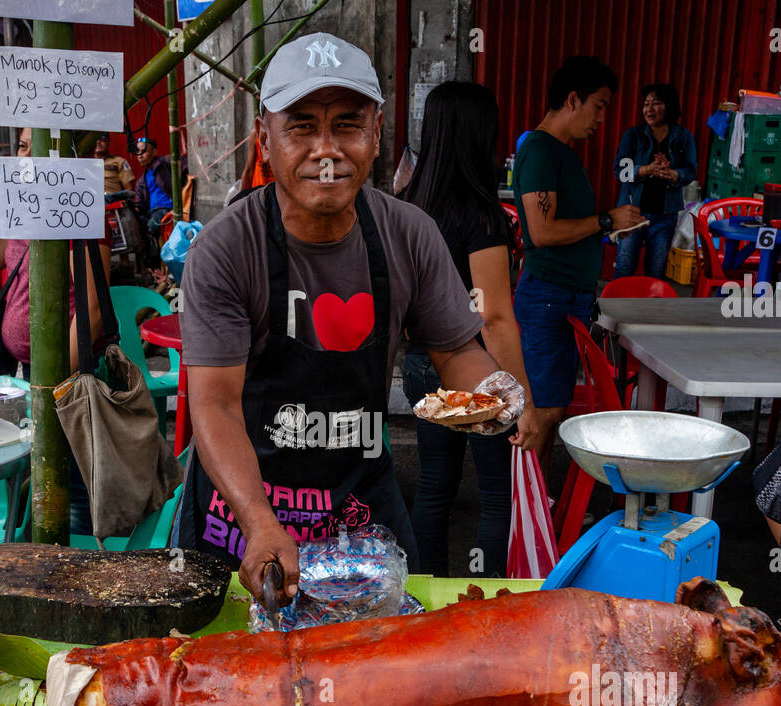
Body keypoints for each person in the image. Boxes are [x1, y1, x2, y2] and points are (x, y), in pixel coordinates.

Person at [173, 33, 524, 603]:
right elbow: (215, 403)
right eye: (303, 125)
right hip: (243, 507)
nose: (327, 150)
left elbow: (456, 351)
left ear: (377, 134)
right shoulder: (226, 249)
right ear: (266, 138)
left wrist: (497, 397)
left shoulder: (409, 234)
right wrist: (259, 522)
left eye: (348, 125)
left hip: (358, 504)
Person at [399, 81, 545, 577]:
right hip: (476, 368)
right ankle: (486, 607)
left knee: (435, 484)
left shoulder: (408, 207)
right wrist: (520, 395)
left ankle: (428, 598)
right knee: (494, 493)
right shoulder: (482, 215)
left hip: (421, 362)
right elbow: (495, 316)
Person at [0, 127, 114, 535]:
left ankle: (86, 564)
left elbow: (93, 310)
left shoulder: (81, 210)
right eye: (21, 146)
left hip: (73, 378)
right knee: (46, 469)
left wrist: (55, 388)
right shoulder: (19, 209)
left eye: (39, 147)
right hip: (30, 375)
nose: (26, 157)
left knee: (78, 478)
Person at [513, 56, 643, 467]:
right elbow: (541, 232)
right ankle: (526, 513)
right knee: (543, 412)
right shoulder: (539, 151)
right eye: (599, 105)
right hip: (548, 298)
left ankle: (536, 506)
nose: (602, 117)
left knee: (552, 409)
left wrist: (607, 227)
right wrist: (605, 220)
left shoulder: (561, 153)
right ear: (573, 99)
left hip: (564, 298)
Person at [612, 83, 696, 279]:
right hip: (632, 213)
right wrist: (646, 170)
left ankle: (648, 311)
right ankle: (616, 310)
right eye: (646, 104)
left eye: (656, 103)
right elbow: (620, 171)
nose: (649, 109)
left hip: (665, 216)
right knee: (624, 269)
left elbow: (690, 171)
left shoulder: (683, 137)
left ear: (669, 107)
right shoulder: (633, 136)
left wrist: (673, 174)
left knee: (656, 273)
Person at [133, 137, 175, 239]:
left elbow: (186, 164)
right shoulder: (141, 181)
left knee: (151, 228)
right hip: (150, 213)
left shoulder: (165, 163)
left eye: (144, 151)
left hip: (166, 209)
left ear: (155, 152)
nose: (140, 155)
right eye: (137, 151)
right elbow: (140, 204)